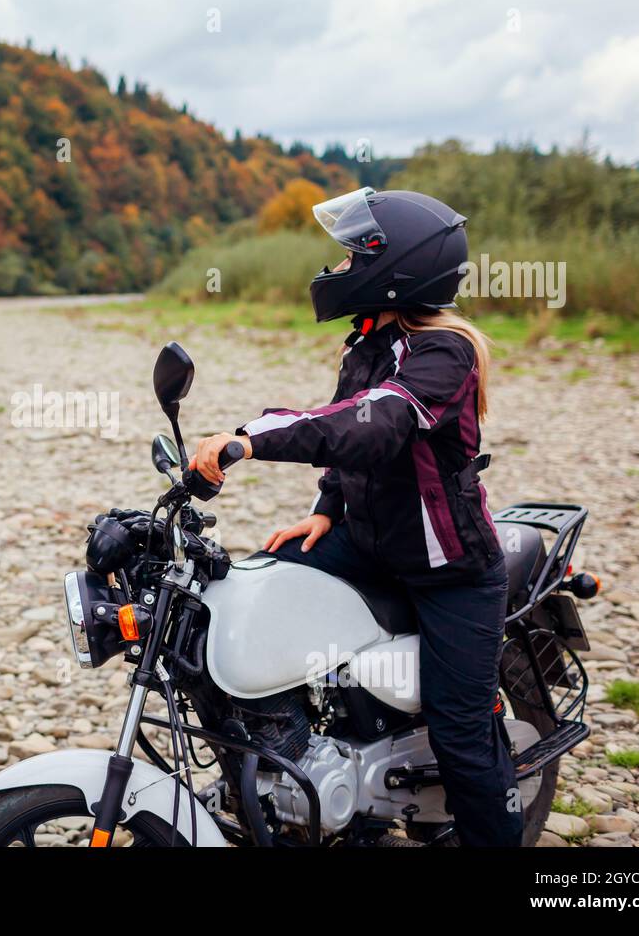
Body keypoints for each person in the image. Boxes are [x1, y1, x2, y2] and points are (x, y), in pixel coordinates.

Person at [190, 187, 522, 846]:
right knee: (255, 583)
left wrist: (251, 438)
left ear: (395, 270)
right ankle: (288, 756)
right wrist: (325, 510)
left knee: (462, 738)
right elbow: (347, 441)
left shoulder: (445, 354)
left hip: (448, 570)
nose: (336, 270)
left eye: (350, 258)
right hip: (370, 542)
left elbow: (375, 424)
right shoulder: (368, 341)